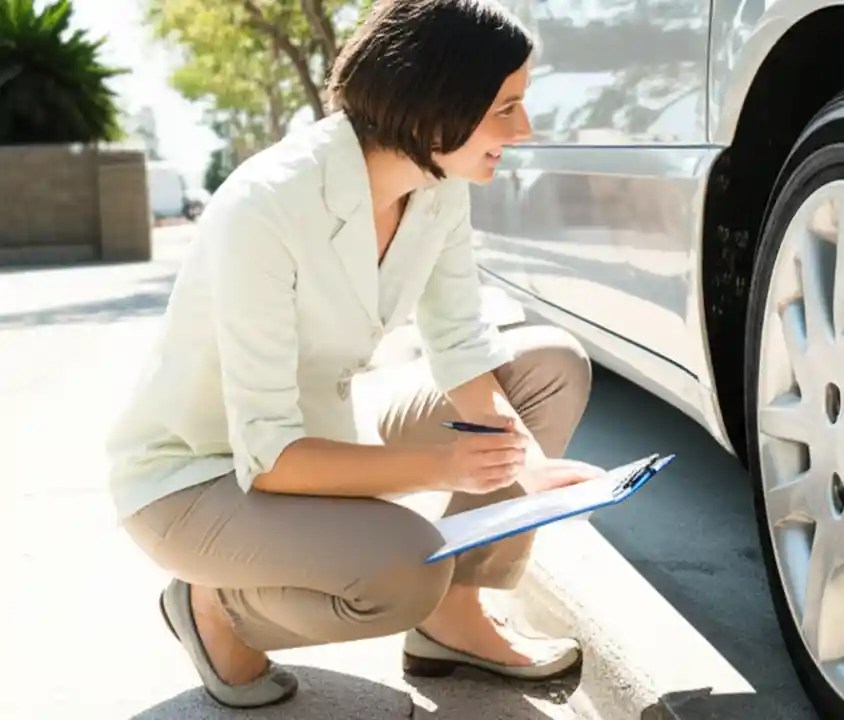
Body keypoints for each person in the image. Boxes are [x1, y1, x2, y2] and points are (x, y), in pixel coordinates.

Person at [105, 0, 604, 708]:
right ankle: (216, 606)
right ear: (436, 107)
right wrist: (446, 464)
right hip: (200, 475)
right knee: (405, 569)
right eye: (506, 108)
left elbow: (461, 341)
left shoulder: (435, 184)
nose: (523, 130)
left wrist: (524, 464)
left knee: (548, 367)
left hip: (326, 421)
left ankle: (455, 620)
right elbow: (271, 456)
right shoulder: (266, 207)